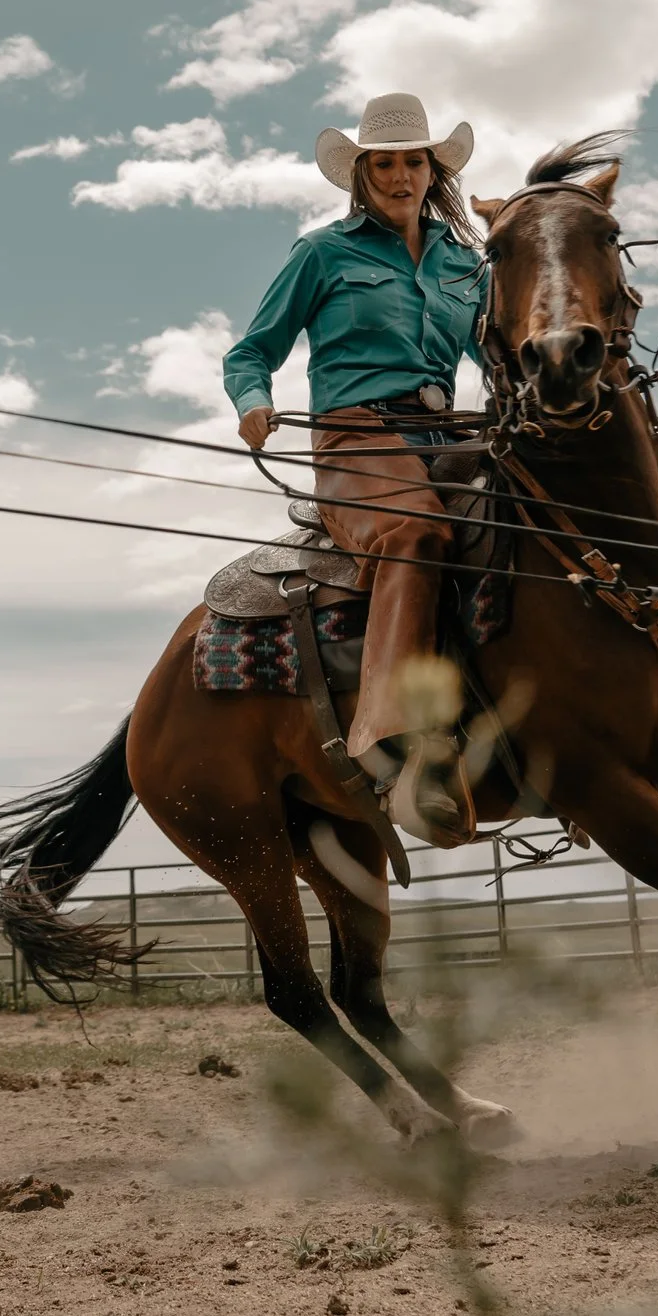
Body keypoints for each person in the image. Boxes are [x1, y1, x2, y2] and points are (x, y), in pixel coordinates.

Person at [221, 92, 487, 844]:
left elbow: (500, 351)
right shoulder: (323, 254)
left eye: (414, 161)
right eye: (385, 164)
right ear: (361, 174)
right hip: (355, 435)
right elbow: (251, 351)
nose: (401, 176)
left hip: (450, 431)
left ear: (433, 170)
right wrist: (252, 400)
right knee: (414, 532)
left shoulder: (466, 262)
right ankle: (393, 732)